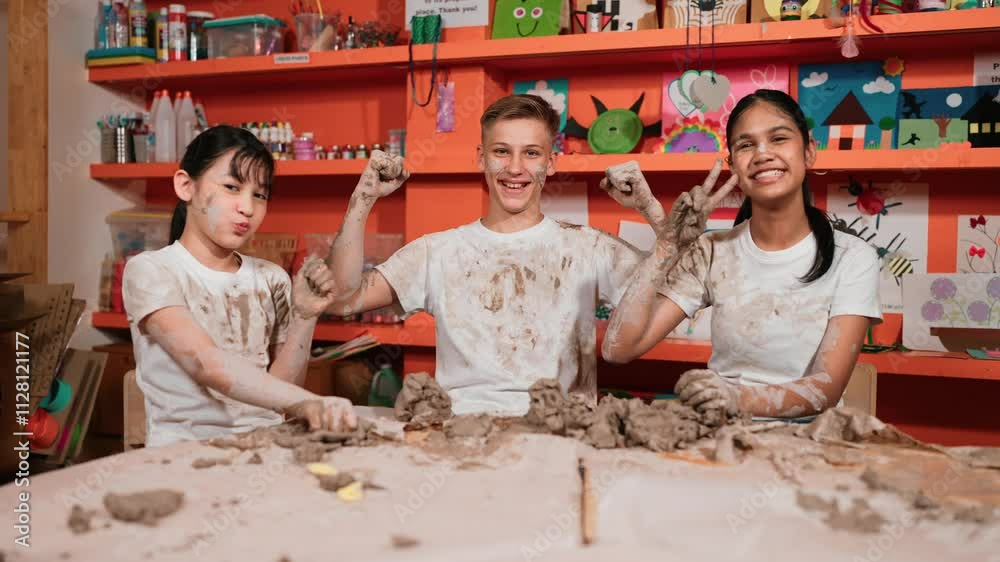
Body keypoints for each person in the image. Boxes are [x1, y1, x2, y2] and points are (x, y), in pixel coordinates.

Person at [308, 94, 681, 416]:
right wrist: (362, 200)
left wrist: (651, 211)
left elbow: (680, 289)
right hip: (461, 434)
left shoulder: (589, 247)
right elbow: (342, 298)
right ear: (481, 158)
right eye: (501, 151)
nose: (515, 168)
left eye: (531, 153)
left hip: (563, 432)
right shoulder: (437, 251)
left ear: (551, 163)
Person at [602, 89, 882, 419]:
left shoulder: (853, 256)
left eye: (778, 139)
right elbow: (618, 349)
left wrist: (735, 398)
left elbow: (824, 387)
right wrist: (666, 247)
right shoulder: (712, 250)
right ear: (732, 164)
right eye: (746, 145)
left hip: (808, 441)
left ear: (808, 152)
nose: (763, 154)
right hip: (722, 436)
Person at [122, 125, 356, 447]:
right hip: (187, 452)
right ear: (186, 186)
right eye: (232, 187)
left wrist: (305, 316)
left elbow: (278, 390)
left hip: (265, 445)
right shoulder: (151, 270)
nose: (247, 207)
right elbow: (207, 364)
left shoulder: (271, 277)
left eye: (259, 195)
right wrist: (306, 402)